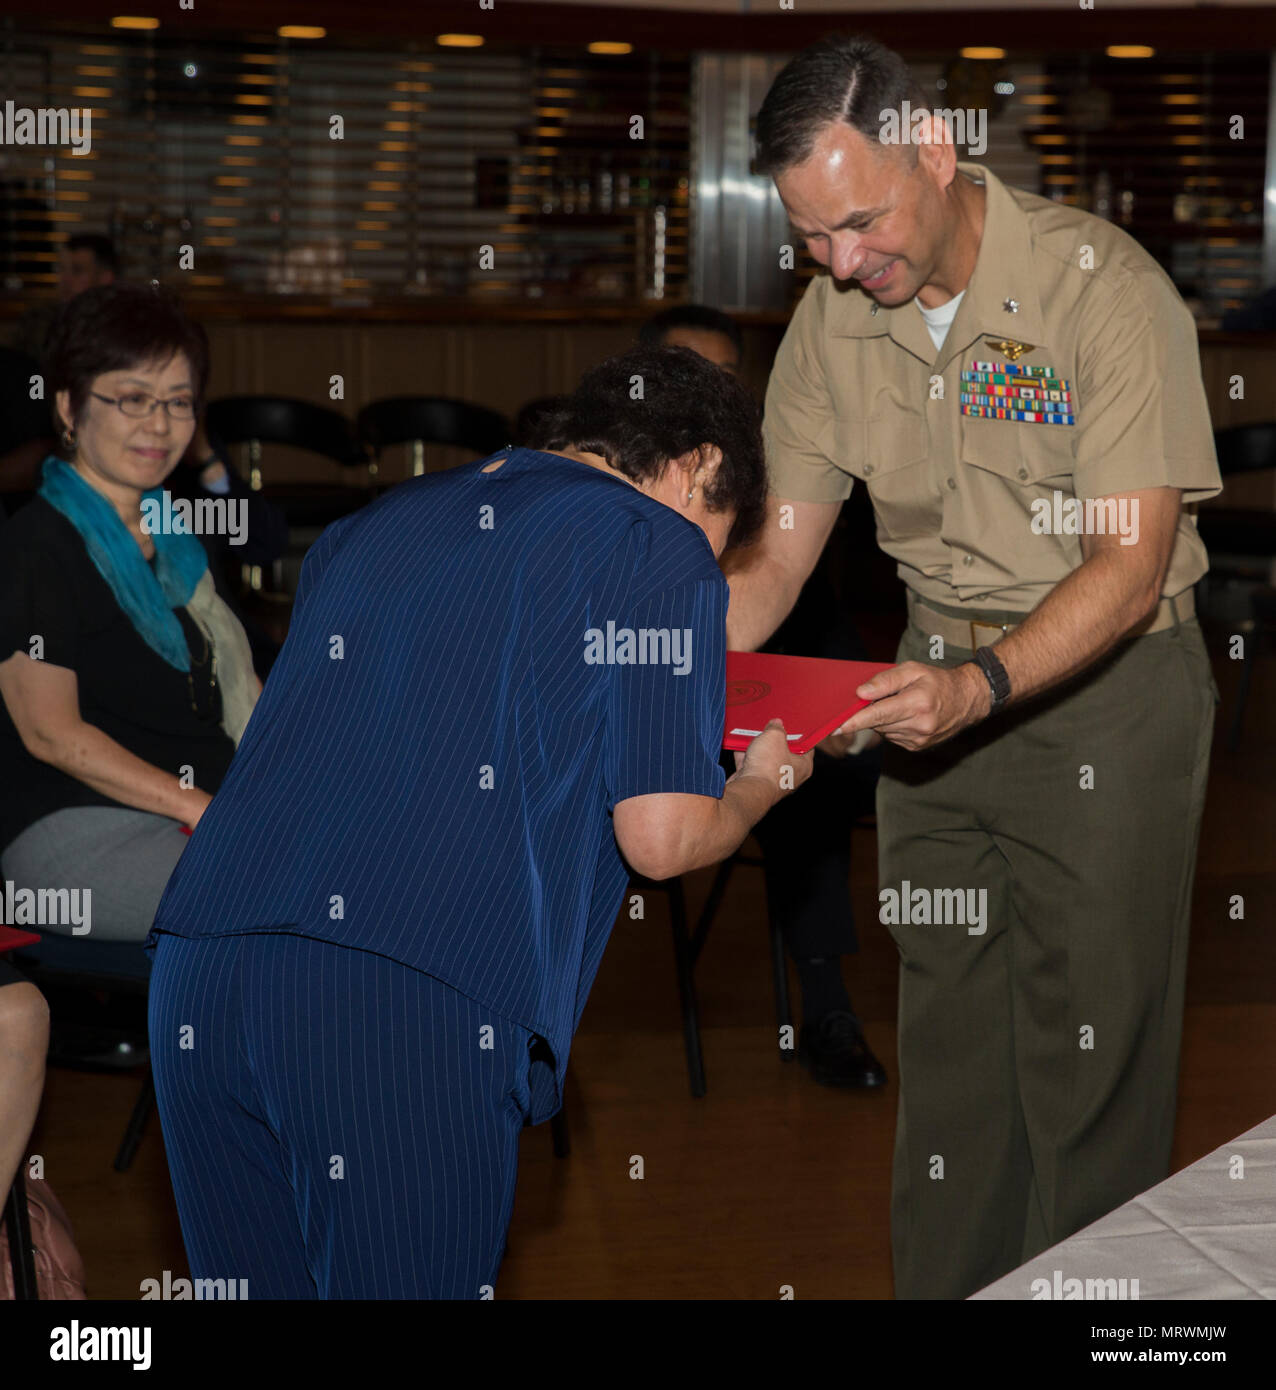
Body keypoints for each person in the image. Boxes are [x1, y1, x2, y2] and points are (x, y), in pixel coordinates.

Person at [142, 344, 814, 1299]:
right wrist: (759, 787)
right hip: (400, 1000)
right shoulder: (655, 542)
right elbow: (661, 839)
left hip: (201, 962)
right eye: (718, 535)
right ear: (701, 467)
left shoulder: (376, 523)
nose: (708, 564)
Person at [729, 35, 1221, 1298]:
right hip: (921, 699)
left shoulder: (1097, 289)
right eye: (811, 237)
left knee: (1090, 1056)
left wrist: (981, 687)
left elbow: (1124, 563)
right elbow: (776, 564)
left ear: (934, 149)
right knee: (947, 1050)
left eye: (859, 220)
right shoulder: (833, 321)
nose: (840, 263)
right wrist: (657, 656)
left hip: (1104, 693)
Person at [640, 303, 887, 1087]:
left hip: (757, 724)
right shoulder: (612, 488)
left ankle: (827, 1006)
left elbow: (827, 647)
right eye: (684, 373)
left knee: (800, 778)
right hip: (643, 720)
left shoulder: (773, 503)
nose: (702, 396)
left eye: (721, 379)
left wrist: (840, 723)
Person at [0, 283, 260, 944]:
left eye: (178, 402)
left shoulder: (180, 543)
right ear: (68, 405)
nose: (160, 425)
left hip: (202, 817)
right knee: (292, 902)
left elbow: (246, 697)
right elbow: (50, 735)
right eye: (133, 399)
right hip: (75, 831)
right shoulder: (36, 545)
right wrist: (205, 810)